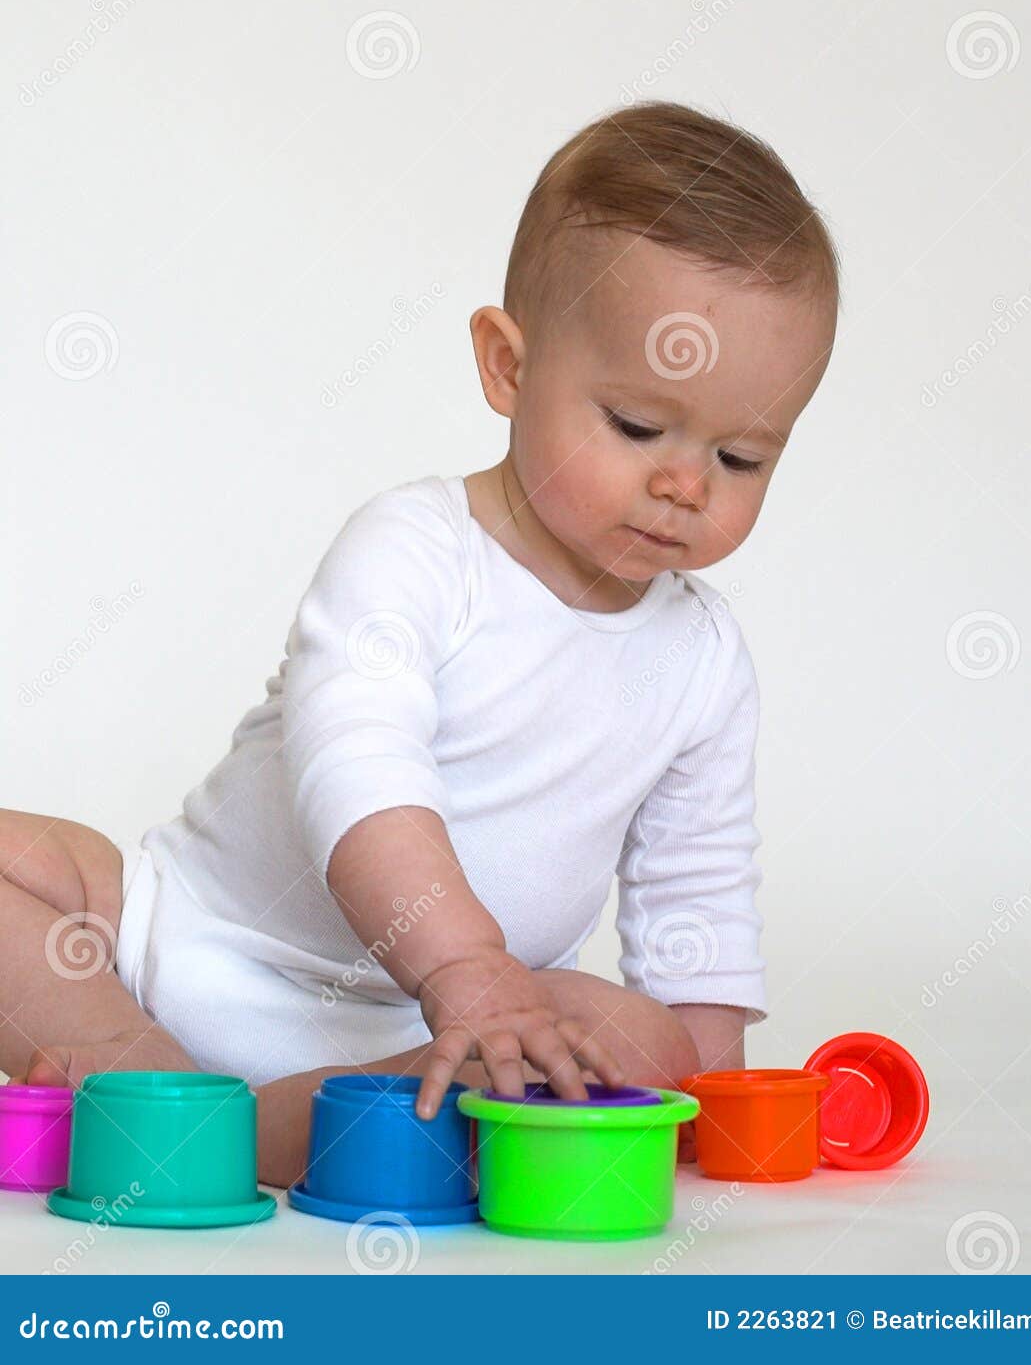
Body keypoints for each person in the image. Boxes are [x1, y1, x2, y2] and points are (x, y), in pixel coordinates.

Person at [1, 100, 839, 1188]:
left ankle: (230, 1128)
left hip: (434, 1040)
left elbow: (696, 886)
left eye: (741, 455)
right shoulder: (414, 548)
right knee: (25, 867)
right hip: (174, 939)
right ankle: (137, 1069)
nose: (684, 484)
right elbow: (359, 763)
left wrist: (710, 1091)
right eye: (637, 427)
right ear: (506, 366)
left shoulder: (703, 661)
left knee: (643, 1045)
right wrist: (461, 961)